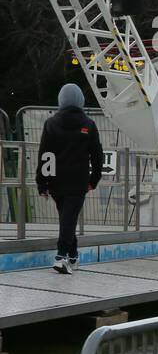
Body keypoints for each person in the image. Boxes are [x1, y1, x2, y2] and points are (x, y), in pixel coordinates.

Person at [36, 83, 104, 275]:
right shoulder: (89, 125)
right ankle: (61, 256)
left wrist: (42, 183)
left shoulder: (51, 123)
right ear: (80, 100)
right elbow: (97, 156)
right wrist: (94, 179)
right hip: (78, 181)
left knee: (67, 218)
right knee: (69, 219)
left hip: (56, 181)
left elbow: (45, 155)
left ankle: (73, 256)